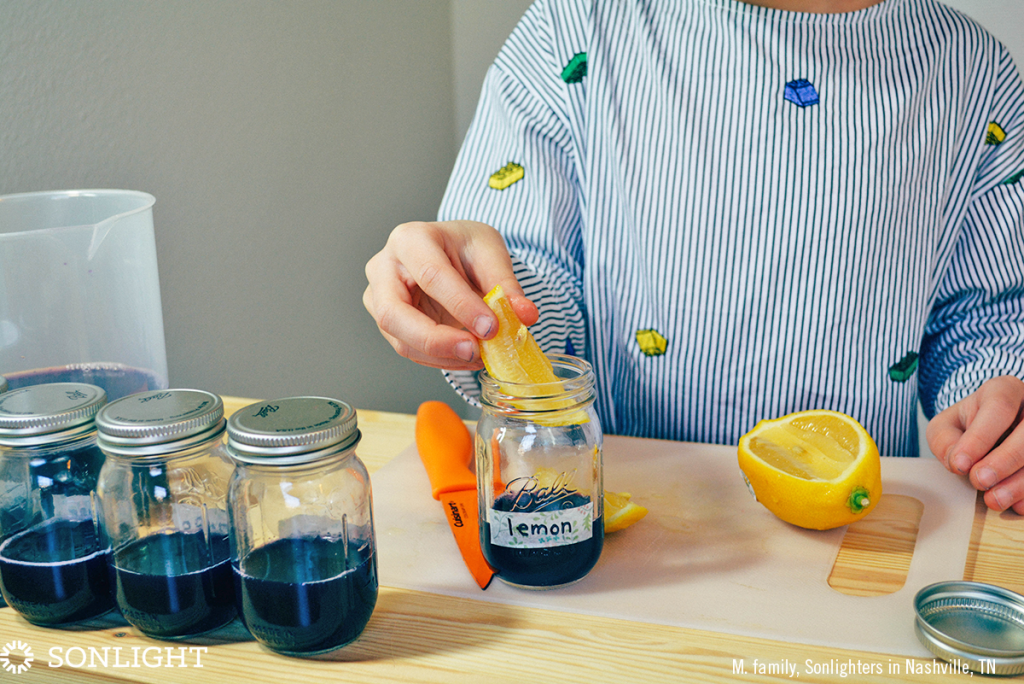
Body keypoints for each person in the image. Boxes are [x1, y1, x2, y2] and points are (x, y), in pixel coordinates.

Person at [364, 0, 1024, 514]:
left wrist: (994, 409)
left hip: (852, 532)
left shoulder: (976, 77)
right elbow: (537, 320)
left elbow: (985, 322)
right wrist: (468, 300)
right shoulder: (574, 28)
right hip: (621, 529)